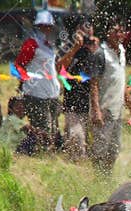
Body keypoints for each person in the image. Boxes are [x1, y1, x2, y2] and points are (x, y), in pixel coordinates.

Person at [91, 19, 131, 174]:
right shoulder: (101, 53)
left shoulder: (121, 51)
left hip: (117, 110)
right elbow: (94, 84)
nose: (119, 34)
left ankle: (106, 176)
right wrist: (96, 110)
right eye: (115, 31)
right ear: (108, 33)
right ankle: (98, 177)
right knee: (100, 147)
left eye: (121, 31)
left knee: (115, 148)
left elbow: (122, 82)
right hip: (104, 109)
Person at [15, 10, 61, 153]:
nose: (47, 29)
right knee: (42, 131)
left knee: (52, 130)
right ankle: (26, 154)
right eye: (44, 26)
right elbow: (19, 66)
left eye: (49, 26)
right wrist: (25, 85)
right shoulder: (31, 44)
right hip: (36, 94)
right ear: (38, 26)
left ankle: (40, 155)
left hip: (52, 94)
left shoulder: (50, 46)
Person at [56, 18, 101, 161]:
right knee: (77, 138)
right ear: (77, 31)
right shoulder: (68, 47)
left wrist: (95, 48)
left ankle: (90, 169)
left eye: (90, 28)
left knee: (94, 142)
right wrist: (75, 48)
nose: (88, 31)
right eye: (84, 28)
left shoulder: (95, 48)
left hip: (92, 102)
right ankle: (75, 167)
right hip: (73, 102)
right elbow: (59, 68)